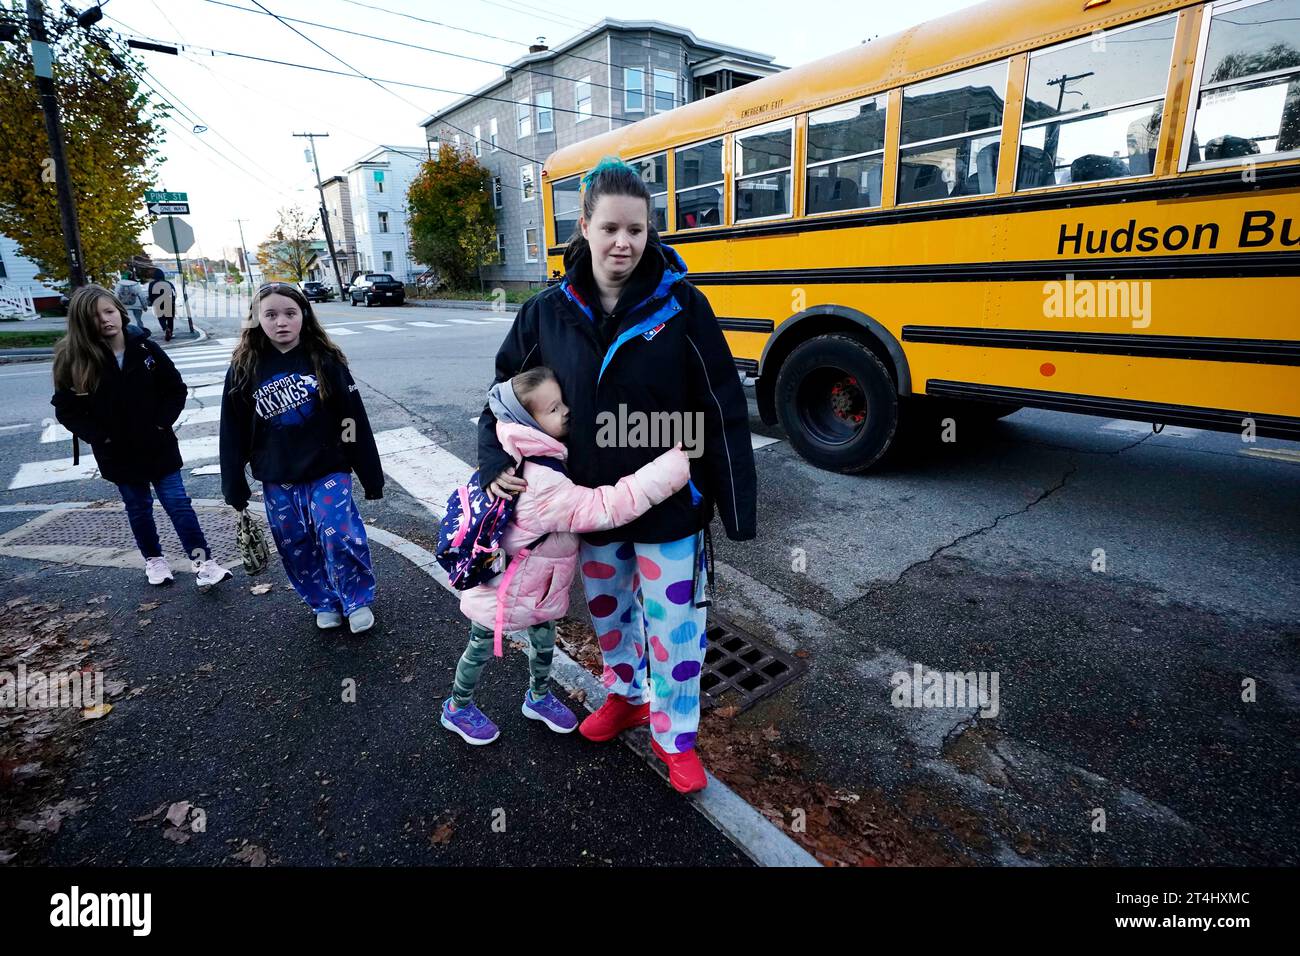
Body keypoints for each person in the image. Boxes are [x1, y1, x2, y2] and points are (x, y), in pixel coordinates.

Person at [477, 157, 757, 793]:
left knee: (675, 628)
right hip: (591, 506)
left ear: (650, 231)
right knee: (610, 617)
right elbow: (502, 397)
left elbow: (721, 406)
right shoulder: (546, 313)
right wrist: (496, 464)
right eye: (610, 228)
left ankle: (676, 736)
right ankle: (625, 695)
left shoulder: (681, 306)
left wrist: (733, 504)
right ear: (585, 227)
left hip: (668, 505)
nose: (623, 243)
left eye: (636, 229)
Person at [443, 366, 691, 746]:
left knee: (543, 644)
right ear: (529, 422)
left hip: (535, 587)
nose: (566, 412)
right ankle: (457, 708)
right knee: (478, 648)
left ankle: (538, 698)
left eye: (562, 403)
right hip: (504, 590)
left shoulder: (518, 450)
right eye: (553, 409)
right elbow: (607, 506)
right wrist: (670, 467)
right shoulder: (542, 482)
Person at [219, 282, 383, 634]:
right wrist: (233, 484)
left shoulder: (324, 360)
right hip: (278, 477)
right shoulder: (244, 368)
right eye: (271, 315)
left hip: (328, 469)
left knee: (338, 534)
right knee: (296, 544)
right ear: (256, 320)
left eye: (290, 313)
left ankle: (355, 599)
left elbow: (351, 418)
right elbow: (232, 431)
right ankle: (323, 601)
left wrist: (369, 472)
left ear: (304, 316)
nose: (281, 322)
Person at [51, 285, 233, 589]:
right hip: (117, 454)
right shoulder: (76, 359)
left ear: (120, 312)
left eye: (109, 312)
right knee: (138, 507)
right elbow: (66, 409)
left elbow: (175, 388)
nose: (105, 320)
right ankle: (154, 560)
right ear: (83, 323)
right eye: (95, 317)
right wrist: (100, 436)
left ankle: (204, 563)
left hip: (157, 446)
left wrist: (162, 422)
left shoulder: (145, 349)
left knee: (178, 504)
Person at [146, 269, 178, 341]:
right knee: (170, 319)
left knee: (161, 318)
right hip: (169, 302)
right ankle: (171, 332)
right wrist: (173, 301)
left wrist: (152, 302)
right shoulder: (168, 283)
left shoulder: (152, 284)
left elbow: (150, 295)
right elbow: (174, 293)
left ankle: (165, 329)